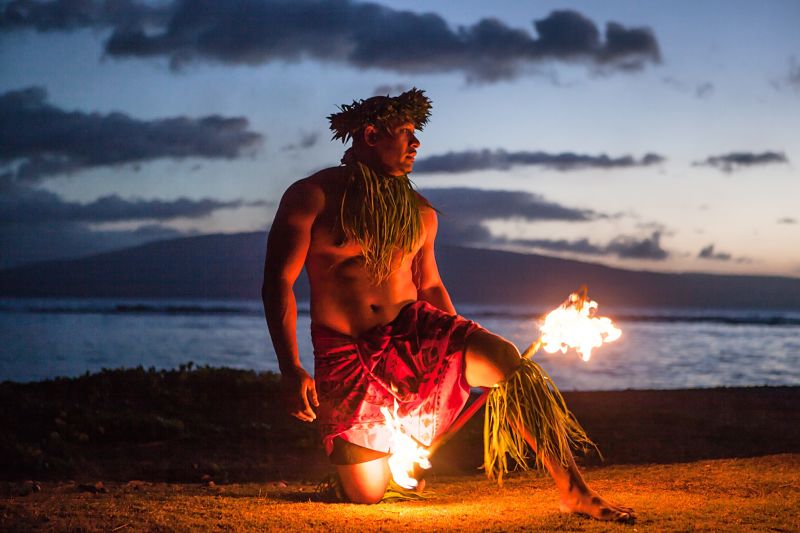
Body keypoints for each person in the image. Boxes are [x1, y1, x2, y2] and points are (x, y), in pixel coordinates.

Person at [262, 88, 634, 521]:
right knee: (366, 494)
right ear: (369, 135)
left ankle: (574, 489)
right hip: (347, 350)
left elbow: (431, 285)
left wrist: (454, 356)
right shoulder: (313, 196)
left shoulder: (420, 212)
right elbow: (277, 283)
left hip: (414, 332)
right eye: (404, 133)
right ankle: (363, 472)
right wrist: (290, 366)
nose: (416, 143)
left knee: (505, 360)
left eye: (416, 134)